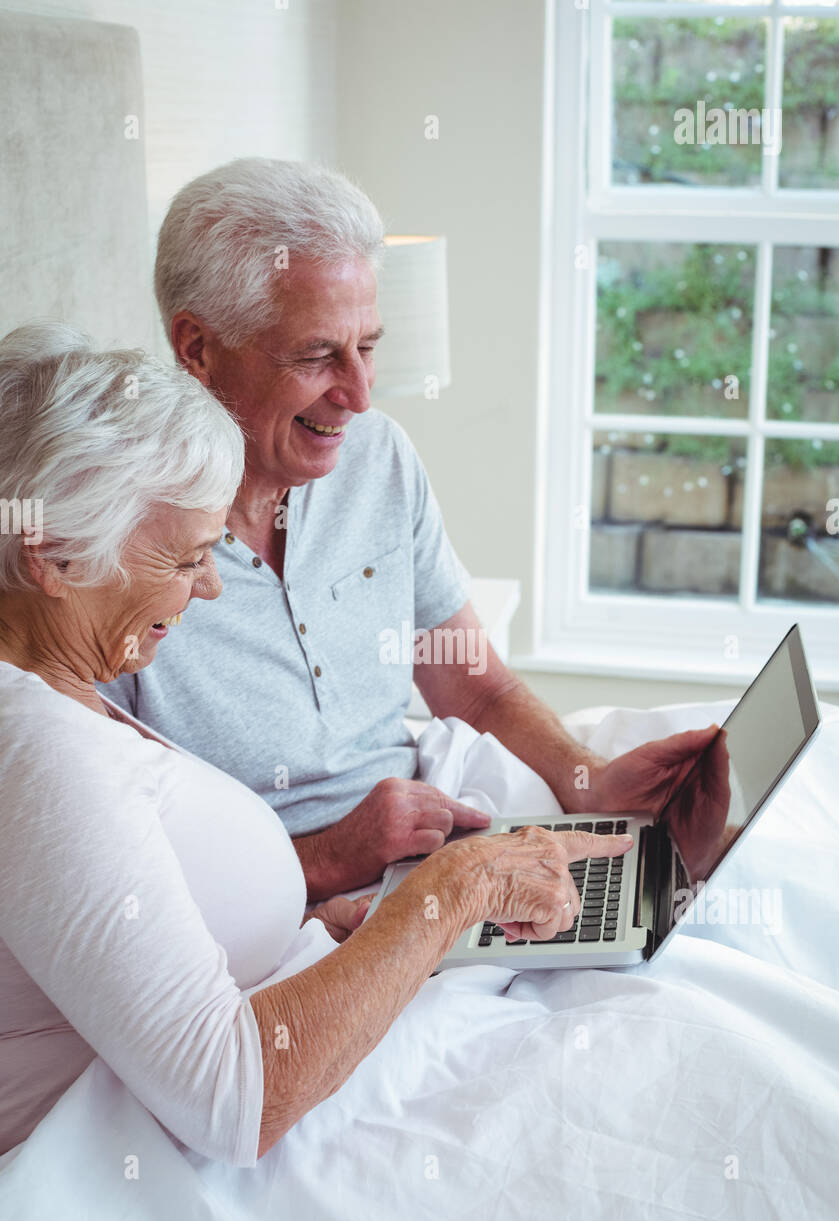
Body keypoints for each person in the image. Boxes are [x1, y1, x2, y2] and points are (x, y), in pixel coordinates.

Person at [0, 323, 632, 1164]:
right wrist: (450, 893)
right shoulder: (39, 756)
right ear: (53, 560)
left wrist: (340, 931)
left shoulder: (62, 688)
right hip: (162, 1160)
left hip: (301, 1004)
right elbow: (233, 1104)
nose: (213, 585)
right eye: (188, 559)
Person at [99, 157, 717, 898]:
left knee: (700, 875)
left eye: (368, 347)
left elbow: (475, 688)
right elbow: (118, 867)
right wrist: (335, 854)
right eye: (318, 354)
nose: (359, 396)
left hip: (429, 845)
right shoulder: (112, 544)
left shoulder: (379, 457)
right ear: (197, 348)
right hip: (286, 909)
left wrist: (588, 782)